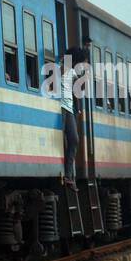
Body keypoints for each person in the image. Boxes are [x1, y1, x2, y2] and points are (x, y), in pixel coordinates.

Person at [59, 45, 87, 187]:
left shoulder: (73, 72)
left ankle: (69, 175)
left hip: (69, 108)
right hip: (60, 107)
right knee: (61, 139)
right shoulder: (59, 67)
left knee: (74, 139)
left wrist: (78, 109)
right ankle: (66, 175)